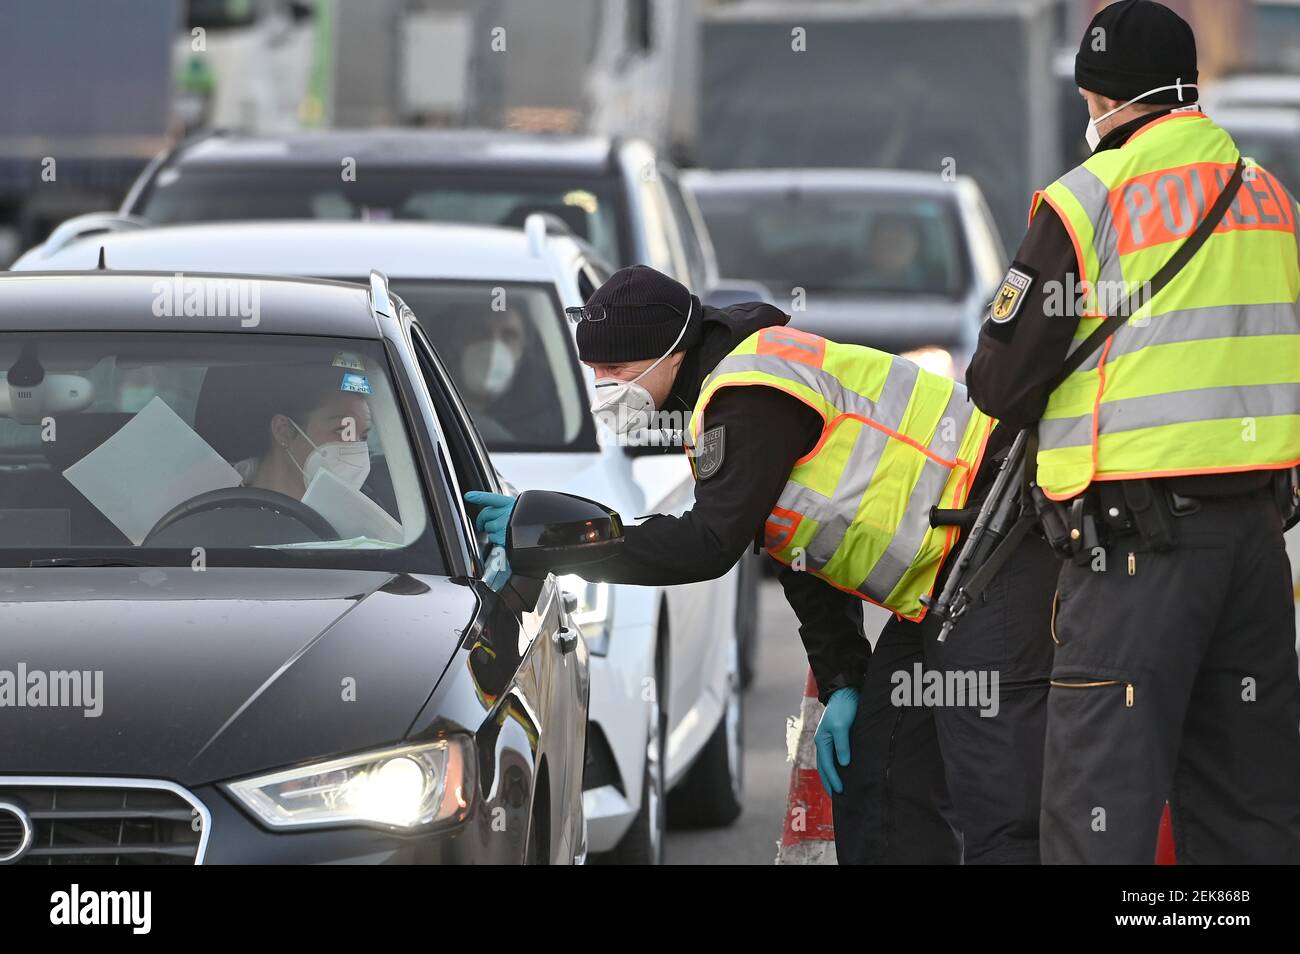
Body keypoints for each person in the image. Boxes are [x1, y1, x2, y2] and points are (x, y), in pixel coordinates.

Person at [468, 264, 1058, 864]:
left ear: (671, 352)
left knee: (1000, 809)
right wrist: (845, 680)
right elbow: (800, 544)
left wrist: (570, 542)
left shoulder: (749, 394)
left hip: (1000, 554)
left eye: (616, 371)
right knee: (881, 781)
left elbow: (708, 544)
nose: (605, 386)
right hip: (948, 587)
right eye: (595, 371)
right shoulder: (726, 393)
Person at [966, 0, 1300, 863]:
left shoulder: (1088, 201)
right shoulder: (1269, 198)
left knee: (1099, 805)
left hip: (1135, 554)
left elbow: (1000, 381)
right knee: (1249, 805)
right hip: (1259, 546)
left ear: (1099, 99)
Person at [233, 366, 373, 500]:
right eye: (343, 431)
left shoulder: (365, 516)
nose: (356, 451)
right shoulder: (222, 509)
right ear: (284, 431)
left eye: (363, 437)